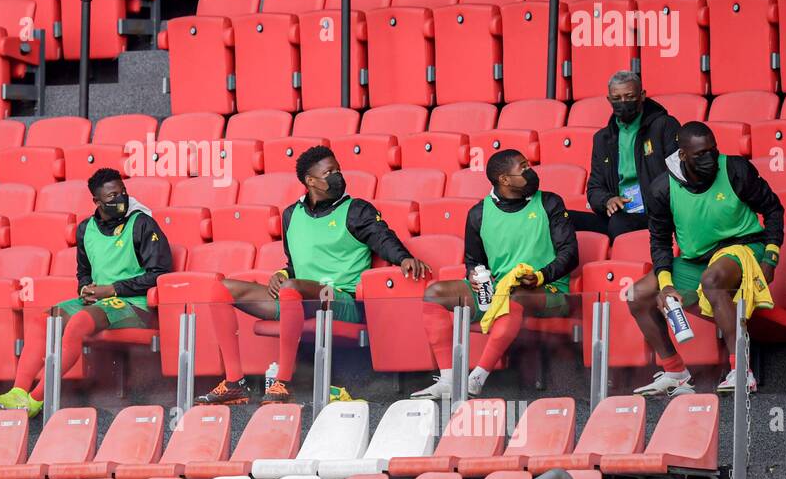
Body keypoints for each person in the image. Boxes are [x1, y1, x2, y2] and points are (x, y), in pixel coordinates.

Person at [198, 146, 432, 406]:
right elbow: (295, 264)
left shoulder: (357, 209)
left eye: (338, 170)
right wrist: (282, 273)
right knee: (219, 290)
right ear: (310, 181)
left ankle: (284, 382)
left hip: (342, 298)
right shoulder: (290, 215)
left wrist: (403, 257)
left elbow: (383, 238)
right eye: (330, 172)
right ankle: (235, 383)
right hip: (296, 295)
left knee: (291, 288)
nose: (338, 176)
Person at [0, 168, 173, 416]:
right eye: (112, 196)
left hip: (133, 304)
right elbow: (83, 271)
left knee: (79, 321)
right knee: (43, 319)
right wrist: (86, 288)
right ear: (97, 201)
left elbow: (159, 272)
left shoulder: (142, 223)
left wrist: (112, 289)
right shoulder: (86, 229)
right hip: (100, 302)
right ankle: (18, 392)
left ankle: (36, 399)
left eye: (122, 192)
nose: (120, 199)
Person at [628, 122, 783, 396]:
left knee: (712, 279)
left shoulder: (735, 169)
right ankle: (675, 371)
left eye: (712, 150)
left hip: (743, 248)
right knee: (637, 294)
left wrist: (771, 257)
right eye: (700, 154)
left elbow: (772, 209)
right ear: (683, 155)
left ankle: (741, 370)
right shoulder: (662, 187)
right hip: (697, 260)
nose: (709, 158)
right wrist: (665, 283)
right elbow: (660, 240)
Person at [413, 149, 578, 400]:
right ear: (504, 179)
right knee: (435, 293)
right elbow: (473, 260)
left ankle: (477, 377)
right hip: (500, 289)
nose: (531, 171)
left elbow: (570, 253)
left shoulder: (550, 202)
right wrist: (474, 275)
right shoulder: (478, 213)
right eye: (523, 168)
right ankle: (447, 379)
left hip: (550, 290)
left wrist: (541, 276)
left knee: (517, 295)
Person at [580, 71, 681, 242]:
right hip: (619, 214)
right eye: (616, 98)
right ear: (608, 100)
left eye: (629, 96)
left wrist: (656, 201)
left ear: (642, 95)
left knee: (618, 224)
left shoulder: (665, 126)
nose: (623, 103)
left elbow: (679, 174)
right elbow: (595, 186)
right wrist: (607, 200)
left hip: (657, 215)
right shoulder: (602, 139)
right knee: (564, 218)